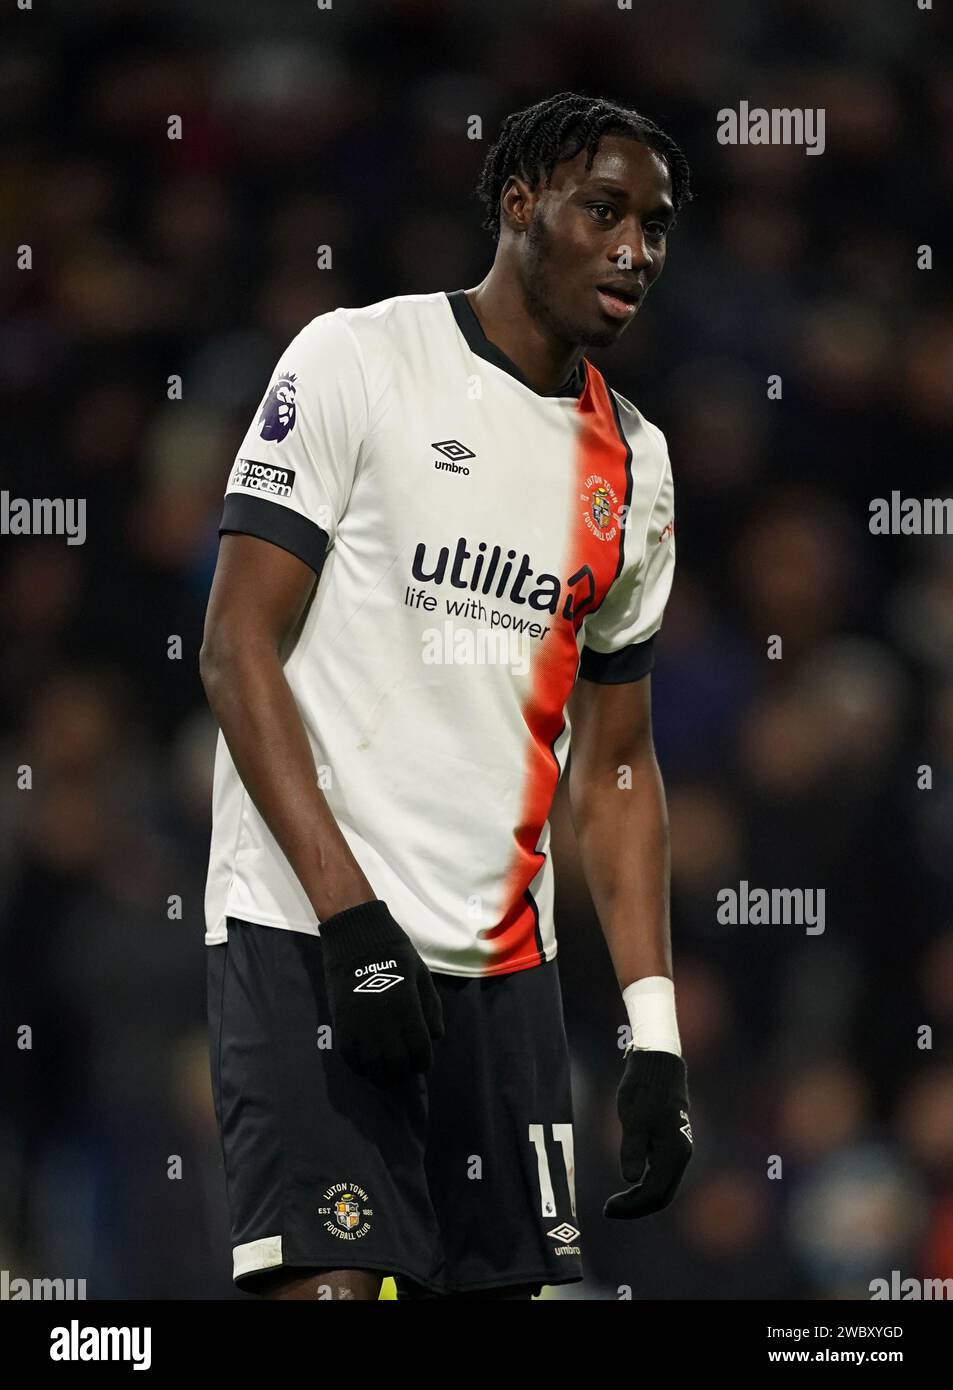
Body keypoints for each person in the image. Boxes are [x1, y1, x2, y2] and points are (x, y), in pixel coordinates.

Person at [200, 91, 694, 1302]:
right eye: (604, 210)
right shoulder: (355, 358)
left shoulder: (634, 462)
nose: (635, 250)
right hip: (304, 933)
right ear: (519, 205)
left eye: (657, 225)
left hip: (503, 977)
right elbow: (234, 648)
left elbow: (617, 759)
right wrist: (350, 920)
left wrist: (654, 1033)